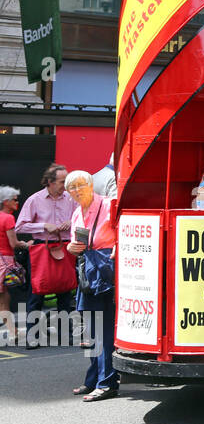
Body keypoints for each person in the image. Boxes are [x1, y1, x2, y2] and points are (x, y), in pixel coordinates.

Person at [65, 170, 119, 401]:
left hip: (105, 272)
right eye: (72, 188)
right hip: (88, 272)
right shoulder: (77, 212)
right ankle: (93, 379)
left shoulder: (108, 204)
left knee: (104, 330)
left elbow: (123, 232)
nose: (77, 190)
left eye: (81, 185)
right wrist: (70, 248)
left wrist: (117, 247)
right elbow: (76, 242)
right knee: (91, 330)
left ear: (90, 184)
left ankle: (107, 383)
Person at [14, 164, 76, 346]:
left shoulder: (71, 199)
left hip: (65, 247)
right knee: (37, 293)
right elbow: (20, 226)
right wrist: (43, 226)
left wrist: (71, 221)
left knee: (65, 293)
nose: (65, 185)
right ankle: (32, 337)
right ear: (50, 182)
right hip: (42, 249)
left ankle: (66, 334)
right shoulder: (35, 199)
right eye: (62, 181)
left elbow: (81, 219)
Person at [0, 186, 20, 332]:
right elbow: (14, 244)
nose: (17, 202)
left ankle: (12, 330)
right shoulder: (8, 218)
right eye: (14, 199)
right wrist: (27, 244)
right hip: (5, 260)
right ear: (5, 202)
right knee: (4, 298)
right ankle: (13, 332)